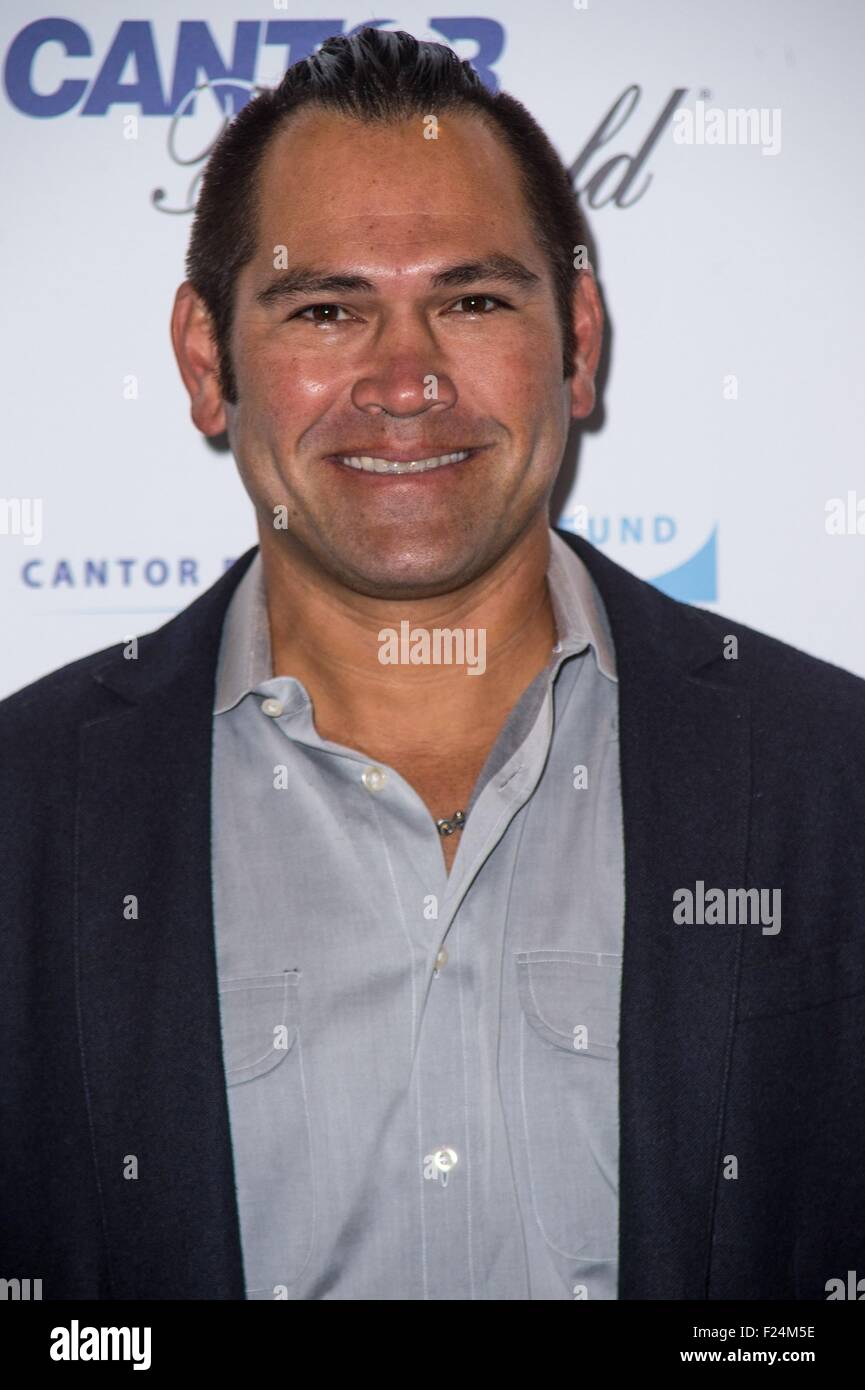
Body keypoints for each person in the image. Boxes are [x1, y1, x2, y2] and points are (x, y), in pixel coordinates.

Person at [1, 27, 864, 1302]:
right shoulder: (25, 809)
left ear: (575, 338)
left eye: (471, 301)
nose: (404, 384)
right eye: (325, 308)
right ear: (206, 360)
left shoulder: (831, 777)